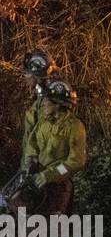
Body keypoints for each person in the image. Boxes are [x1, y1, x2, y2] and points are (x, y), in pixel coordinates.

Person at [16, 78, 87, 215]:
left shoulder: (75, 127)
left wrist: (50, 174)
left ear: (58, 104)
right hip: (37, 181)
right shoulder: (44, 122)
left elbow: (76, 161)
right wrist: (29, 163)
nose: (43, 104)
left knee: (54, 229)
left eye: (47, 101)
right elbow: (32, 143)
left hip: (58, 187)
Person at [18, 50, 55, 172]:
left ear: (36, 74)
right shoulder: (39, 100)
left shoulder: (47, 103)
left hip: (44, 172)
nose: (25, 76)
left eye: (27, 72)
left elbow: (40, 138)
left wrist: (30, 166)